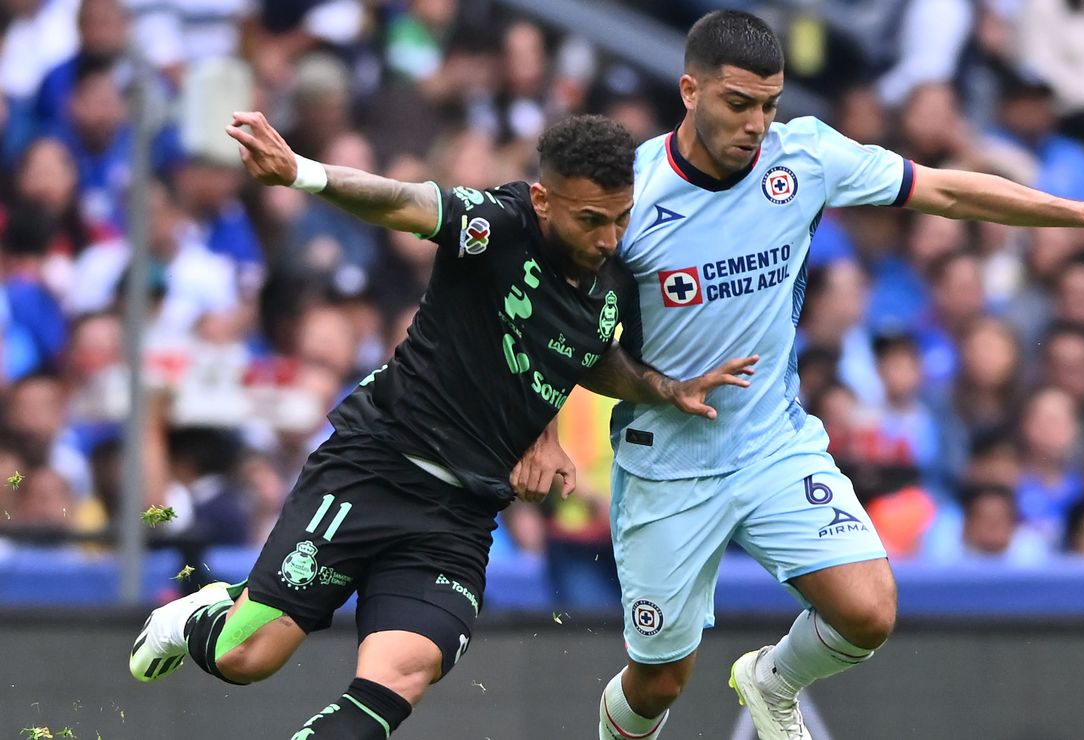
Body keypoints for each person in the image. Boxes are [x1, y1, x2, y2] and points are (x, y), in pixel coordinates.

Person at [514, 11, 1084, 740]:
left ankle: (772, 680)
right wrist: (548, 429)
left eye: (769, 105)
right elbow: (556, 323)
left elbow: (946, 191)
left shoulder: (803, 159)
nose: (756, 124)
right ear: (689, 91)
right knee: (659, 682)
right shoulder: (632, 195)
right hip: (668, 464)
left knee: (868, 610)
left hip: (773, 443)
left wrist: (1083, 212)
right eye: (738, 104)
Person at [127, 111, 757, 739]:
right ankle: (200, 617)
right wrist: (304, 174)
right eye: (591, 220)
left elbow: (590, 354)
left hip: (461, 512)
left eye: (620, 218)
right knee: (248, 657)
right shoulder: (499, 224)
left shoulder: (618, 266)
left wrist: (659, 390)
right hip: (376, 467)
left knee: (403, 671)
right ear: (542, 200)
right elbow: (402, 201)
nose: (608, 238)